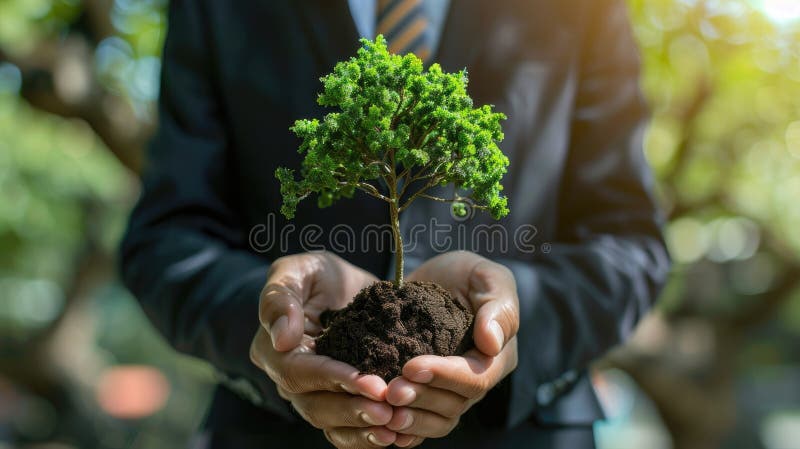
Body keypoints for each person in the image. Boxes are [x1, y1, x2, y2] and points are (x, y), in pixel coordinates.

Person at [120, 0, 670, 448]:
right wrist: (269, 321)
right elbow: (168, 235)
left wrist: (510, 318)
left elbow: (628, 242)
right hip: (274, 433)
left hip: (520, 434)